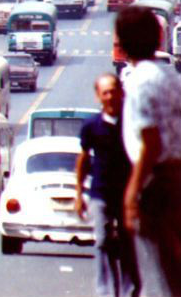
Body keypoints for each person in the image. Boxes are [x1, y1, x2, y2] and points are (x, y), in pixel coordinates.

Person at [115, 6, 181, 297]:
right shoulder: (171, 77)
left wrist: (132, 192)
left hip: (157, 184)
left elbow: (151, 142)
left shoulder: (138, 81)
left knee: (157, 274)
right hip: (175, 179)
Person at [75, 74, 140, 297]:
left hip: (126, 193)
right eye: (105, 92)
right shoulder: (91, 126)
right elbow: (83, 159)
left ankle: (129, 289)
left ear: (121, 93)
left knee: (127, 241)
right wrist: (78, 193)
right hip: (100, 192)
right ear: (98, 96)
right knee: (102, 241)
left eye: (114, 91)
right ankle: (105, 291)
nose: (110, 96)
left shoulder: (131, 124)